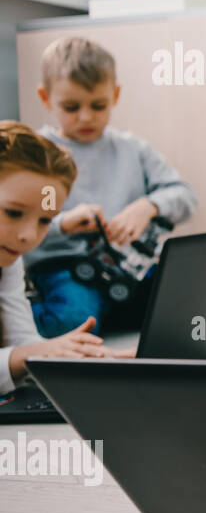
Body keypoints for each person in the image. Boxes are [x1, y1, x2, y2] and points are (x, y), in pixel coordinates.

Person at [26, 36, 197, 337]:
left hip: (127, 266)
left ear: (115, 95)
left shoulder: (132, 150)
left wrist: (148, 206)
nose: (86, 116)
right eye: (71, 107)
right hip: (66, 267)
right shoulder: (44, 157)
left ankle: (108, 313)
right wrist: (64, 223)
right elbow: (36, 220)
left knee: (192, 305)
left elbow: (183, 195)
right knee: (72, 320)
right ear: (45, 98)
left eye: (98, 105)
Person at [0, 121, 127, 396]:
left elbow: (22, 341)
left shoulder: (8, 257)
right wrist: (29, 354)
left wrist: (73, 355)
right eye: (13, 213)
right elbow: (21, 354)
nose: (28, 235)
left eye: (45, 220)